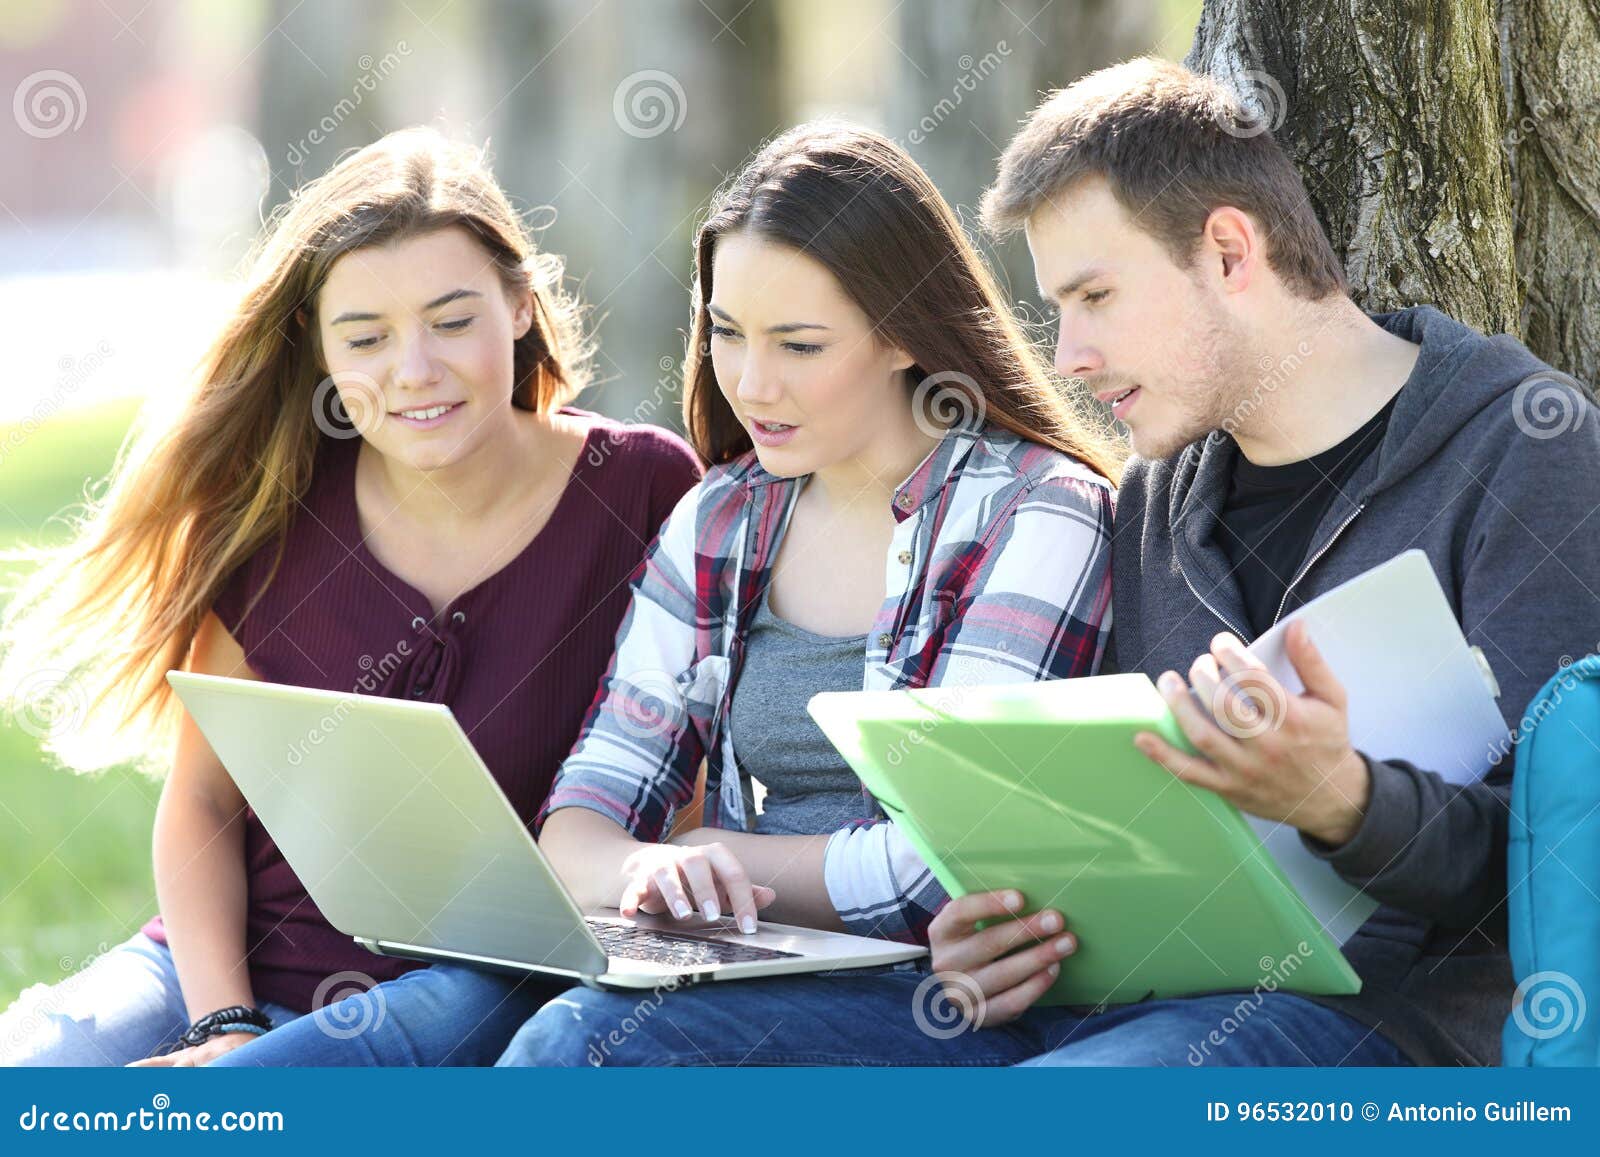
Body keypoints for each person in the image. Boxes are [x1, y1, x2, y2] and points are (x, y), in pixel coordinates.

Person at [928, 55, 1600, 1067]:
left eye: (1095, 295)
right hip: (1135, 1014)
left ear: (1230, 252)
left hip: (1390, 1042)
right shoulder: (1154, 497)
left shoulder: (1526, 450)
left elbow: (1562, 874)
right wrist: (1011, 931)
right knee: (654, 1044)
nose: (1065, 355)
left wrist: (1344, 801)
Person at [0, 127, 700, 1068]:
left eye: (453, 320)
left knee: (236, 1104)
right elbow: (203, 800)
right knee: (33, 1073)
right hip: (225, 966)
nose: (413, 369)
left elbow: (687, 783)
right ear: (320, 350)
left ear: (521, 304)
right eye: (365, 337)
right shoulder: (274, 505)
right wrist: (223, 1018)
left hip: (489, 978)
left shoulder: (642, 490)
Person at [493, 122, 1120, 1066]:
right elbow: (581, 822)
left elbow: (944, 864)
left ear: (907, 331)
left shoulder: (1040, 513)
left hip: (941, 999)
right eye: (728, 333)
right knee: (462, 1015)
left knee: (576, 1052)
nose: (751, 382)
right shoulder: (721, 518)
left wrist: (711, 866)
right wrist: (649, 867)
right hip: (745, 971)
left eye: (799, 343)